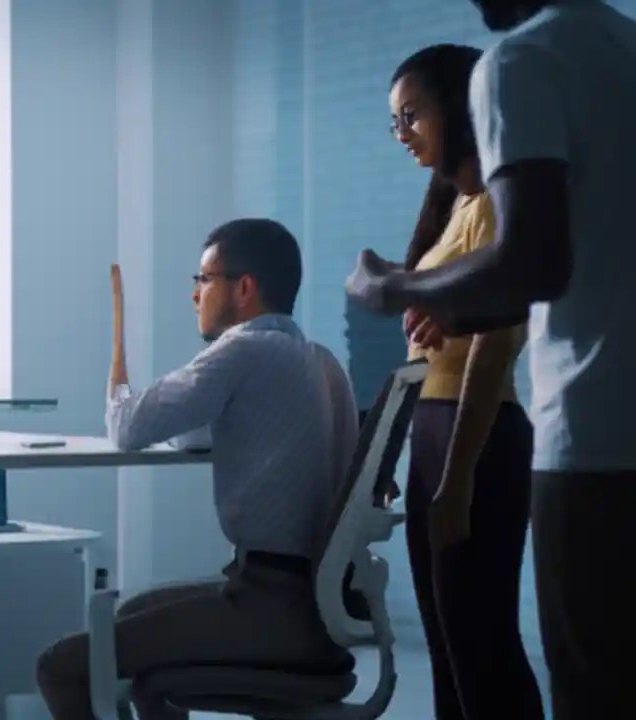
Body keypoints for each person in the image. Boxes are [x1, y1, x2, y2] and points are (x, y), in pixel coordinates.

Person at [345, 2, 636, 717]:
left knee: (497, 654)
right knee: (464, 648)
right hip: (548, 430)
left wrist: (392, 289)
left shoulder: (526, 61)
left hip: (581, 438)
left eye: (412, 115)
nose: (403, 134)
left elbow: (529, 271)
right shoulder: (619, 48)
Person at [36, 219, 358, 720]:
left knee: (60, 665)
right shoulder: (317, 361)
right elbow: (194, 431)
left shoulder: (243, 349)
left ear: (244, 287)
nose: (194, 296)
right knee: (132, 618)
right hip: (317, 604)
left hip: (271, 606)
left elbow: (126, 425)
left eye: (204, 280)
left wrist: (117, 352)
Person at [385, 44, 542, 720]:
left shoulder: (496, 203)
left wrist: (458, 479)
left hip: (476, 441)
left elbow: (499, 338)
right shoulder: (452, 207)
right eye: (395, 122)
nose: (403, 135)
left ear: (459, 108)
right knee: (450, 653)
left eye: (412, 115)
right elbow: (446, 333)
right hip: (435, 429)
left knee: (482, 650)